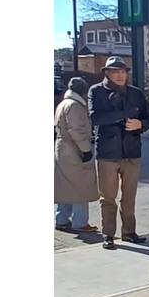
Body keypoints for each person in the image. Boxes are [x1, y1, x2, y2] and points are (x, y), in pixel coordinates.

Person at [88, 57, 149, 250]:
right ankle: (108, 234)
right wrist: (124, 115)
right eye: (115, 71)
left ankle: (129, 232)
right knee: (108, 197)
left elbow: (148, 117)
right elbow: (95, 117)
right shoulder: (96, 91)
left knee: (129, 196)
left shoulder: (135, 93)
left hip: (132, 151)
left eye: (123, 71)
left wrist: (140, 125)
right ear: (106, 73)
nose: (120, 75)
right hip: (108, 153)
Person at [54, 77, 99, 233]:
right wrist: (86, 150)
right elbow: (76, 130)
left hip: (63, 148)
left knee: (65, 185)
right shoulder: (75, 105)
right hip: (74, 149)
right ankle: (80, 222)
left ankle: (61, 219)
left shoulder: (64, 103)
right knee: (81, 186)